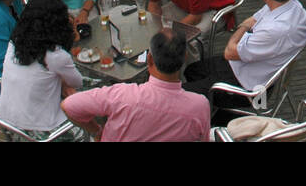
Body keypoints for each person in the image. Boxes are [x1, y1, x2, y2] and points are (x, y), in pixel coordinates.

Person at [183, 0, 306, 117]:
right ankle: (210, 108)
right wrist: (247, 29)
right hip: (251, 66)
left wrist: (242, 27)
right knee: (191, 70)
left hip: (246, 85)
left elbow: (229, 52)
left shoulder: (272, 30)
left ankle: (214, 116)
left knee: (184, 94)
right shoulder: (295, 6)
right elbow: (256, 18)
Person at [62, 28, 210, 141]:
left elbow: (68, 105)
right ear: (185, 57)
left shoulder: (121, 95)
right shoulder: (199, 106)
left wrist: (96, 131)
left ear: (149, 59)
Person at [0, 0, 82, 134]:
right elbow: (78, 83)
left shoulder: (14, 43)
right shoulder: (56, 56)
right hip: (43, 132)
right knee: (91, 115)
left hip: (7, 125)